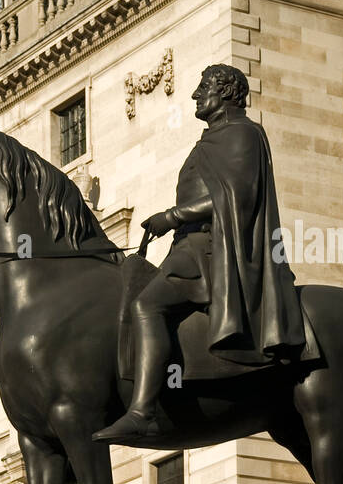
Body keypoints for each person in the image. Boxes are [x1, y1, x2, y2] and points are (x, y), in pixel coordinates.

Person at [92, 64, 305, 443]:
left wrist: (173, 216)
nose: (195, 95)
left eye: (203, 86)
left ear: (225, 92)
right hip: (189, 245)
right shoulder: (214, 139)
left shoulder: (242, 134)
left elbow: (237, 197)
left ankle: (143, 412)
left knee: (147, 306)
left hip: (212, 248)